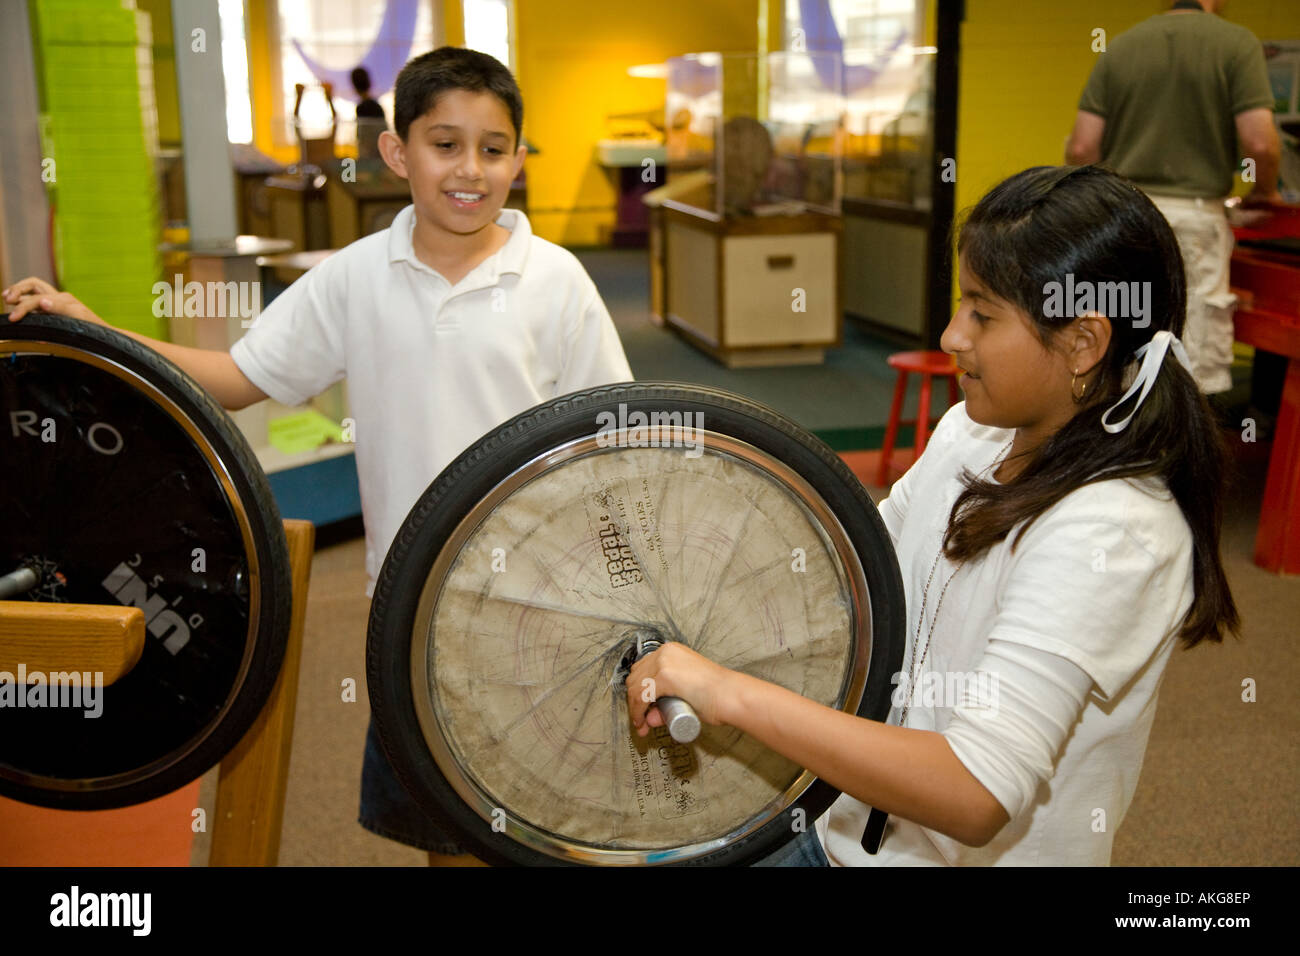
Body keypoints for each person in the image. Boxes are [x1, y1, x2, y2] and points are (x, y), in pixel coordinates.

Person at [4, 46, 633, 866]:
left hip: (545, 612)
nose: (470, 169)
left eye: (493, 147)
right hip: (411, 614)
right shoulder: (357, 277)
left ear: (518, 157)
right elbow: (235, 379)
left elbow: (618, 446)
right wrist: (91, 328)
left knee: (560, 829)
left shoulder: (557, 281)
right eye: (445, 145)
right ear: (397, 152)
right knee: (449, 835)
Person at [629, 165, 1239, 866]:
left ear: (1083, 342)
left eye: (982, 313)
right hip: (839, 834)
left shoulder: (1115, 531)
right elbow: (849, 585)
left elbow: (974, 792)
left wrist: (727, 692)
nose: (951, 335)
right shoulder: (968, 434)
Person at [1065, 0, 1280, 397]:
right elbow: (1260, 144)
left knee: (1122, 353)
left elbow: (1081, 148)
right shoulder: (1235, 43)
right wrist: (1262, 192)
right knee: (1188, 364)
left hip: (1123, 215)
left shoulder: (1123, 46)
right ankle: (1177, 457)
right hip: (1194, 220)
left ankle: (1113, 453)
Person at [351, 66, 387, 161]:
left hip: (371, 155)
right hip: (379, 154)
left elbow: (364, 137)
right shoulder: (376, 105)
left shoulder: (362, 107)